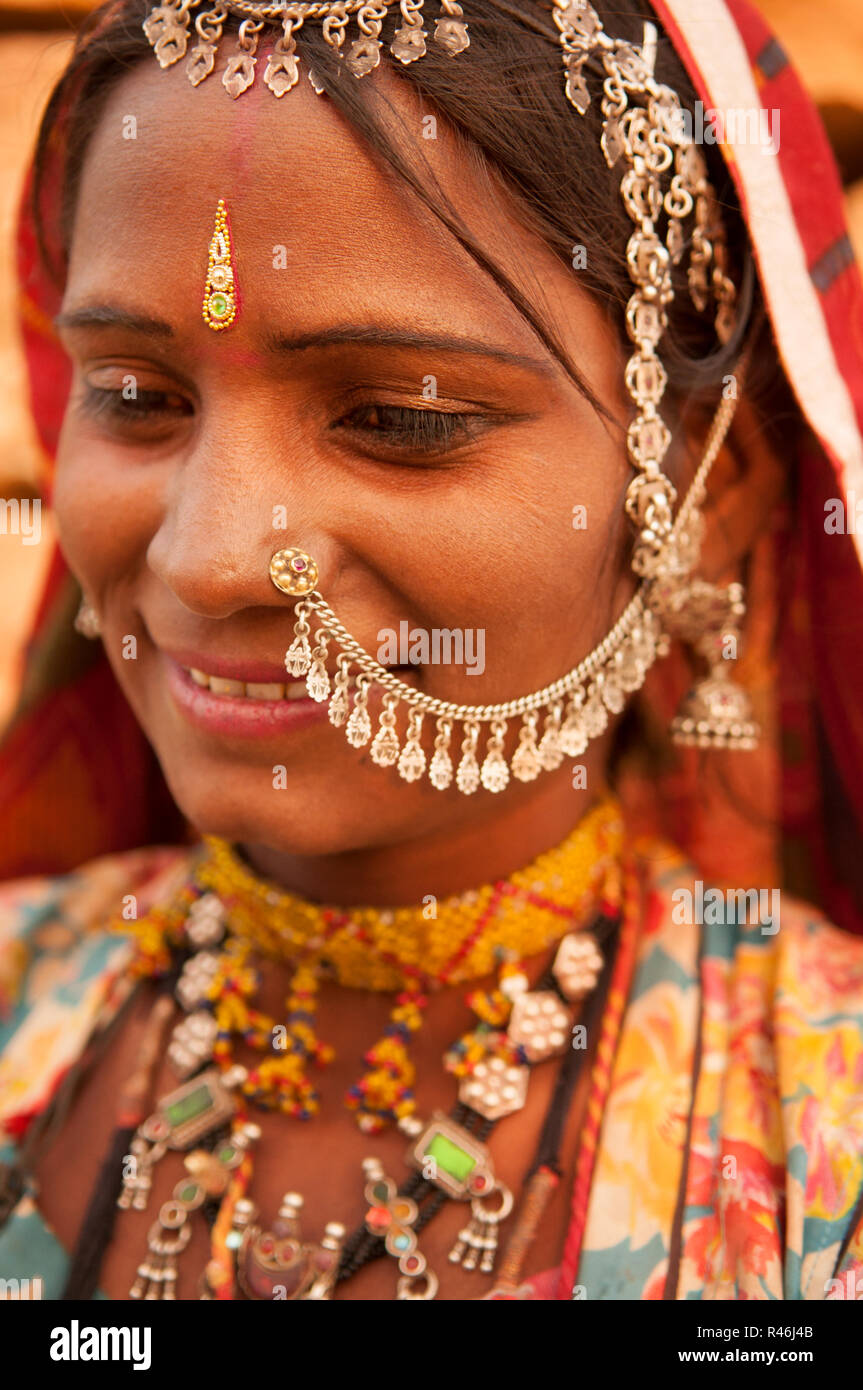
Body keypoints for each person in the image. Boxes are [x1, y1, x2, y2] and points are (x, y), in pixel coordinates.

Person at [0, 0, 861, 1302]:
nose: (210, 558)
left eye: (399, 417)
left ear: (710, 481)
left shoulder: (830, 1139)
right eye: (136, 399)